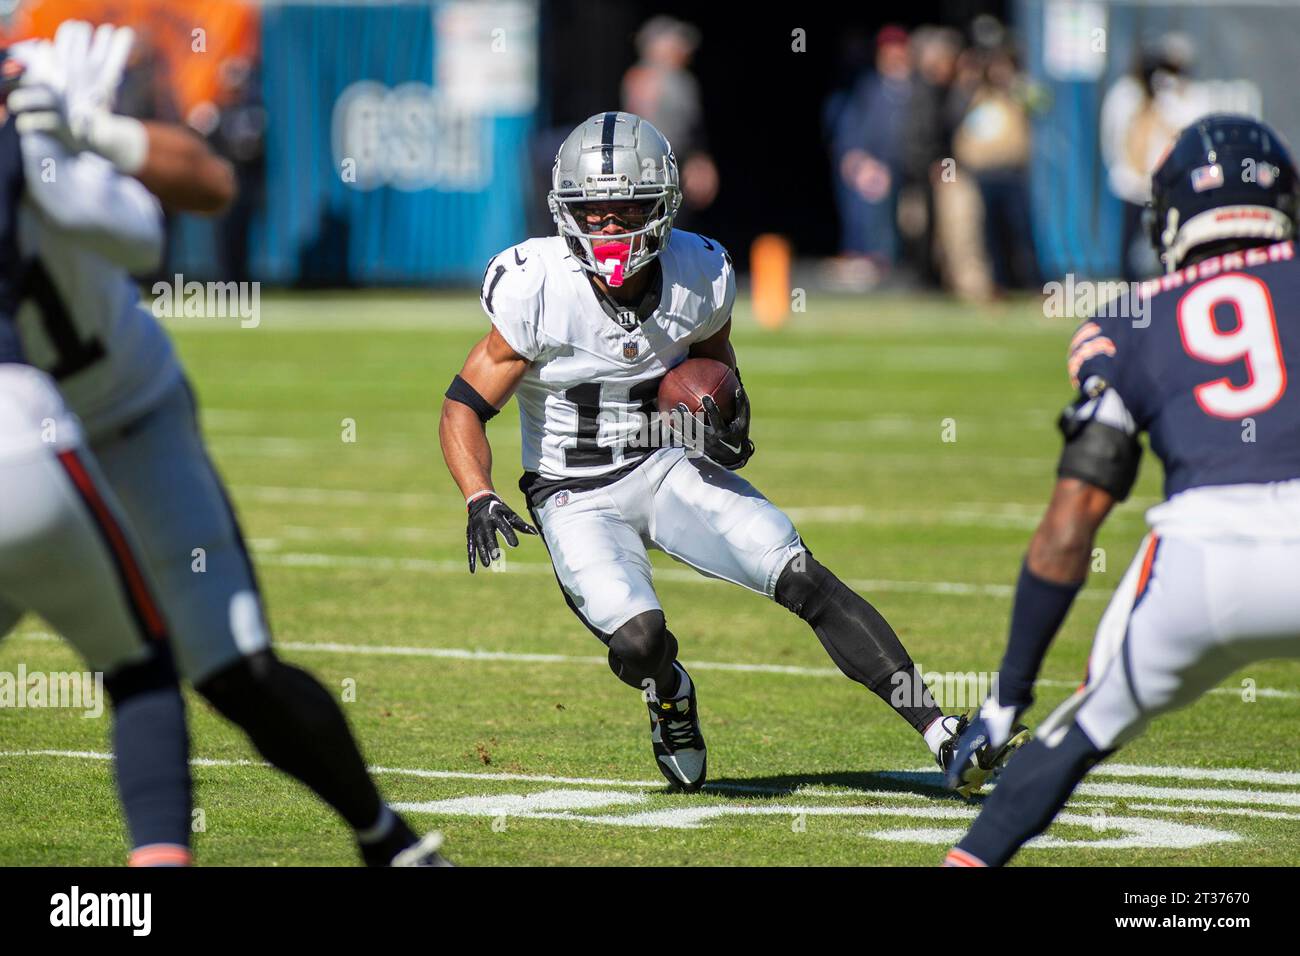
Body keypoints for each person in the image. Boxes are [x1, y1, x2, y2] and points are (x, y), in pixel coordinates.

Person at [440, 111, 1024, 796]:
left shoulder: (700, 273)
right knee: (638, 643)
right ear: (564, 212)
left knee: (800, 573)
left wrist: (727, 421)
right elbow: (464, 407)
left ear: (659, 205)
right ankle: (669, 691)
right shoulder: (537, 286)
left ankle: (942, 734)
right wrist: (478, 491)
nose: (608, 227)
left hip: (665, 467)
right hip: (575, 493)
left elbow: (719, 376)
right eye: (591, 211)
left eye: (624, 206)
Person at [8, 20, 446, 866]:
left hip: (124, 414)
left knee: (234, 670)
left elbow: (201, 186)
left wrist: (97, 133)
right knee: (142, 671)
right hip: (24, 436)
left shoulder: (38, 89)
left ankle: (386, 840)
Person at [945, 115, 1300, 865]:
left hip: (1204, 564)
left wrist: (1008, 694)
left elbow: (1076, 514)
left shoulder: (1133, 319)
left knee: (1074, 736)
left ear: (1169, 216)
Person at [0, 98, 191, 866]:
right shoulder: (23, 120)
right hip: (16, 430)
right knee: (140, 671)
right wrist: (93, 133)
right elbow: (143, 234)